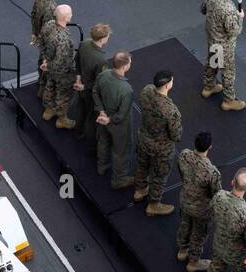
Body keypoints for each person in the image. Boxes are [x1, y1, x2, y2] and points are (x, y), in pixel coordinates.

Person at [134, 70, 182, 216]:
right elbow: (176, 135)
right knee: (159, 176)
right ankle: (154, 204)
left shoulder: (146, 91)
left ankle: (140, 190)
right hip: (161, 150)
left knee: (142, 166)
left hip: (143, 140)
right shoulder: (170, 110)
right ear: (167, 85)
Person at [176, 131, 222, 272]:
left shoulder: (184, 155)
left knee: (184, 225)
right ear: (210, 147)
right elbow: (216, 193)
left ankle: (182, 250)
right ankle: (193, 262)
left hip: (185, 200)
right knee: (199, 234)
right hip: (201, 209)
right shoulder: (212, 172)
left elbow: (182, 173)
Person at [202, 0, 245, 111]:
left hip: (212, 39)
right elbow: (235, 31)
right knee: (227, 72)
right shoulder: (230, 10)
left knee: (213, 62)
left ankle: (208, 87)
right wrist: (240, 18)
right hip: (224, 46)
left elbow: (203, 10)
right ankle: (228, 101)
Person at [93, 51, 135, 189]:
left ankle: (102, 166)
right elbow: (122, 114)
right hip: (119, 125)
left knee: (103, 141)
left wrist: (101, 111)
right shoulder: (126, 89)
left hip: (102, 117)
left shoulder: (103, 75)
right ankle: (120, 179)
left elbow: (95, 91)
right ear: (124, 66)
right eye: (129, 62)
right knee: (120, 151)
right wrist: (110, 119)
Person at [37, 5, 78, 130]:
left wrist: (45, 61)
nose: (72, 15)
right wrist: (49, 65)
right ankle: (62, 119)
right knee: (63, 95)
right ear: (66, 18)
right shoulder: (64, 40)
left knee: (49, 87)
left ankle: (48, 111)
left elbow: (41, 41)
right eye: (70, 14)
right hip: (63, 72)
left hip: (48, 67)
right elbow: (60, 61)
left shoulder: (49, 24)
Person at [74, 23, 111, 150]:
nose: (108, 37)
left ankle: (77, 132)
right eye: (107, 36)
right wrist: (85, 87)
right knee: (90, 118)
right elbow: (99, 81)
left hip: (80, 86)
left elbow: (77, 60)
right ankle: (90, 144)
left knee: (80, 110)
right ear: (102, 39)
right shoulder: (101, 60)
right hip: (89, 92)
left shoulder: (84, 43)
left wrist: (78, 78)